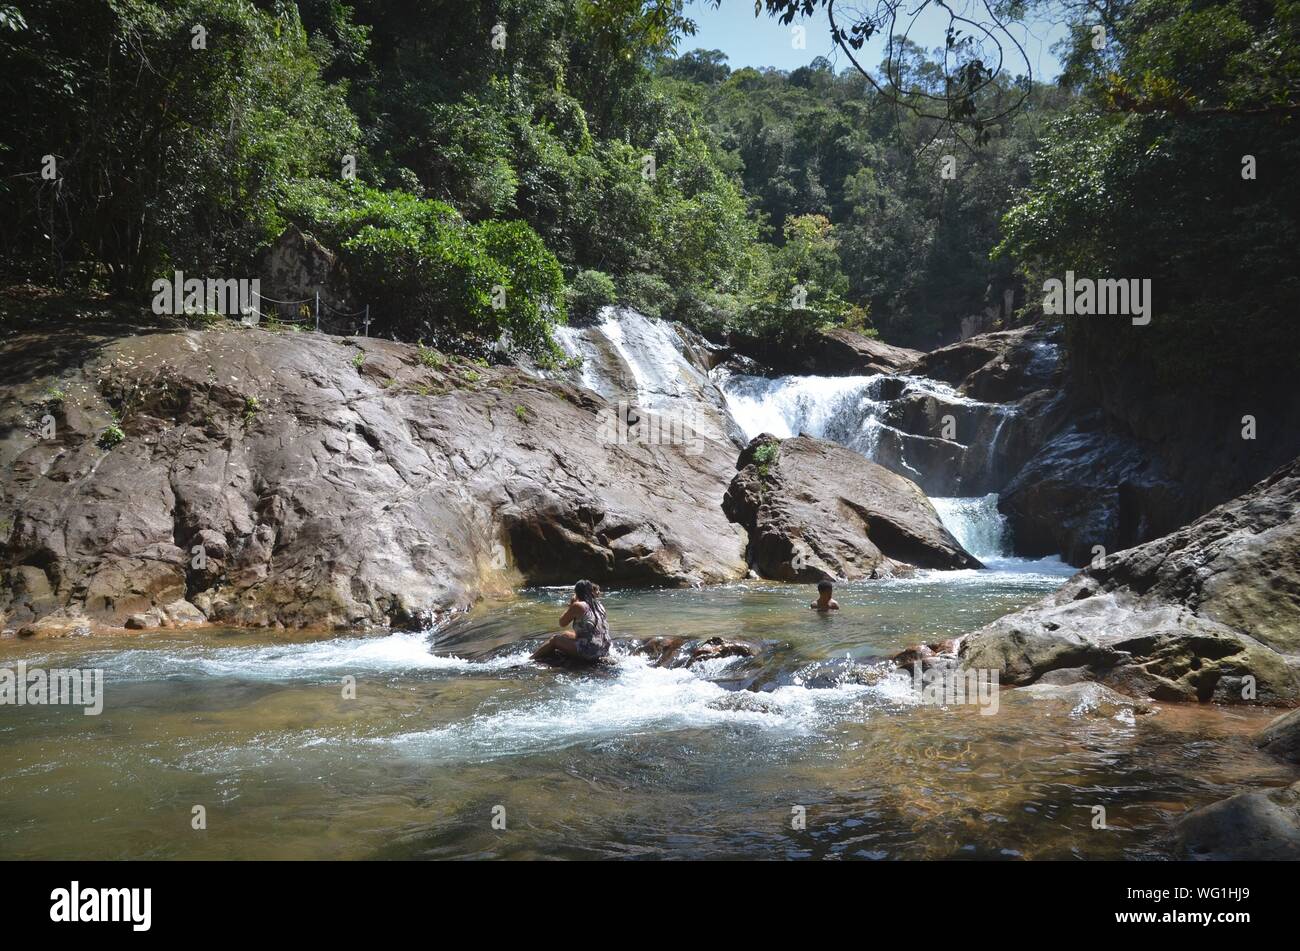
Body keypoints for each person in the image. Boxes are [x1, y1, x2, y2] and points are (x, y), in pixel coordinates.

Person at [531, 579, 611, 663]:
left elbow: (562, 623)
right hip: (604, 648)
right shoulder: (600, 605)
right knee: (565, 634)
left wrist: (572, 604)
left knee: (555, 639)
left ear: (577, 592)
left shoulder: (579, 605)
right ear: (591, 591)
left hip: (590, 651)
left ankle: (530, 659)